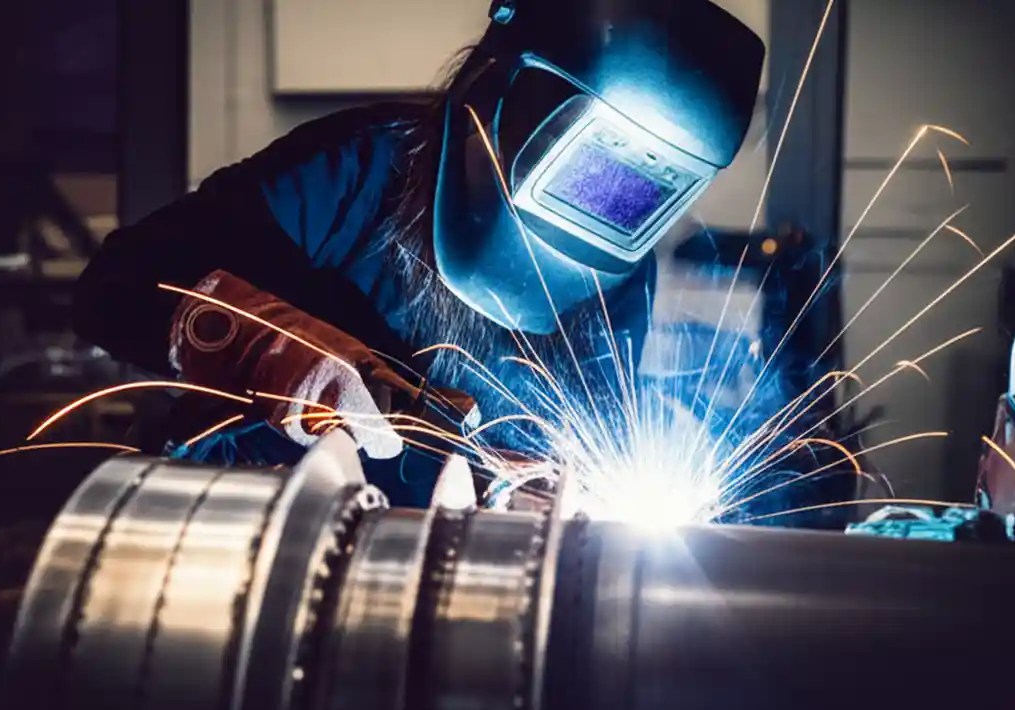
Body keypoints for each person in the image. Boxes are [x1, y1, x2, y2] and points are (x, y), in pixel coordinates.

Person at [74, 0, 765, 506]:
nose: (604, 202)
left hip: (430, 602)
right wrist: (266, 346)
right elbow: (114, 288)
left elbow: (587, 442)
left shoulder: (620, 276)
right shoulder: (362, 168)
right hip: (238, 529)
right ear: (504, 87)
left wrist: (543, 487)